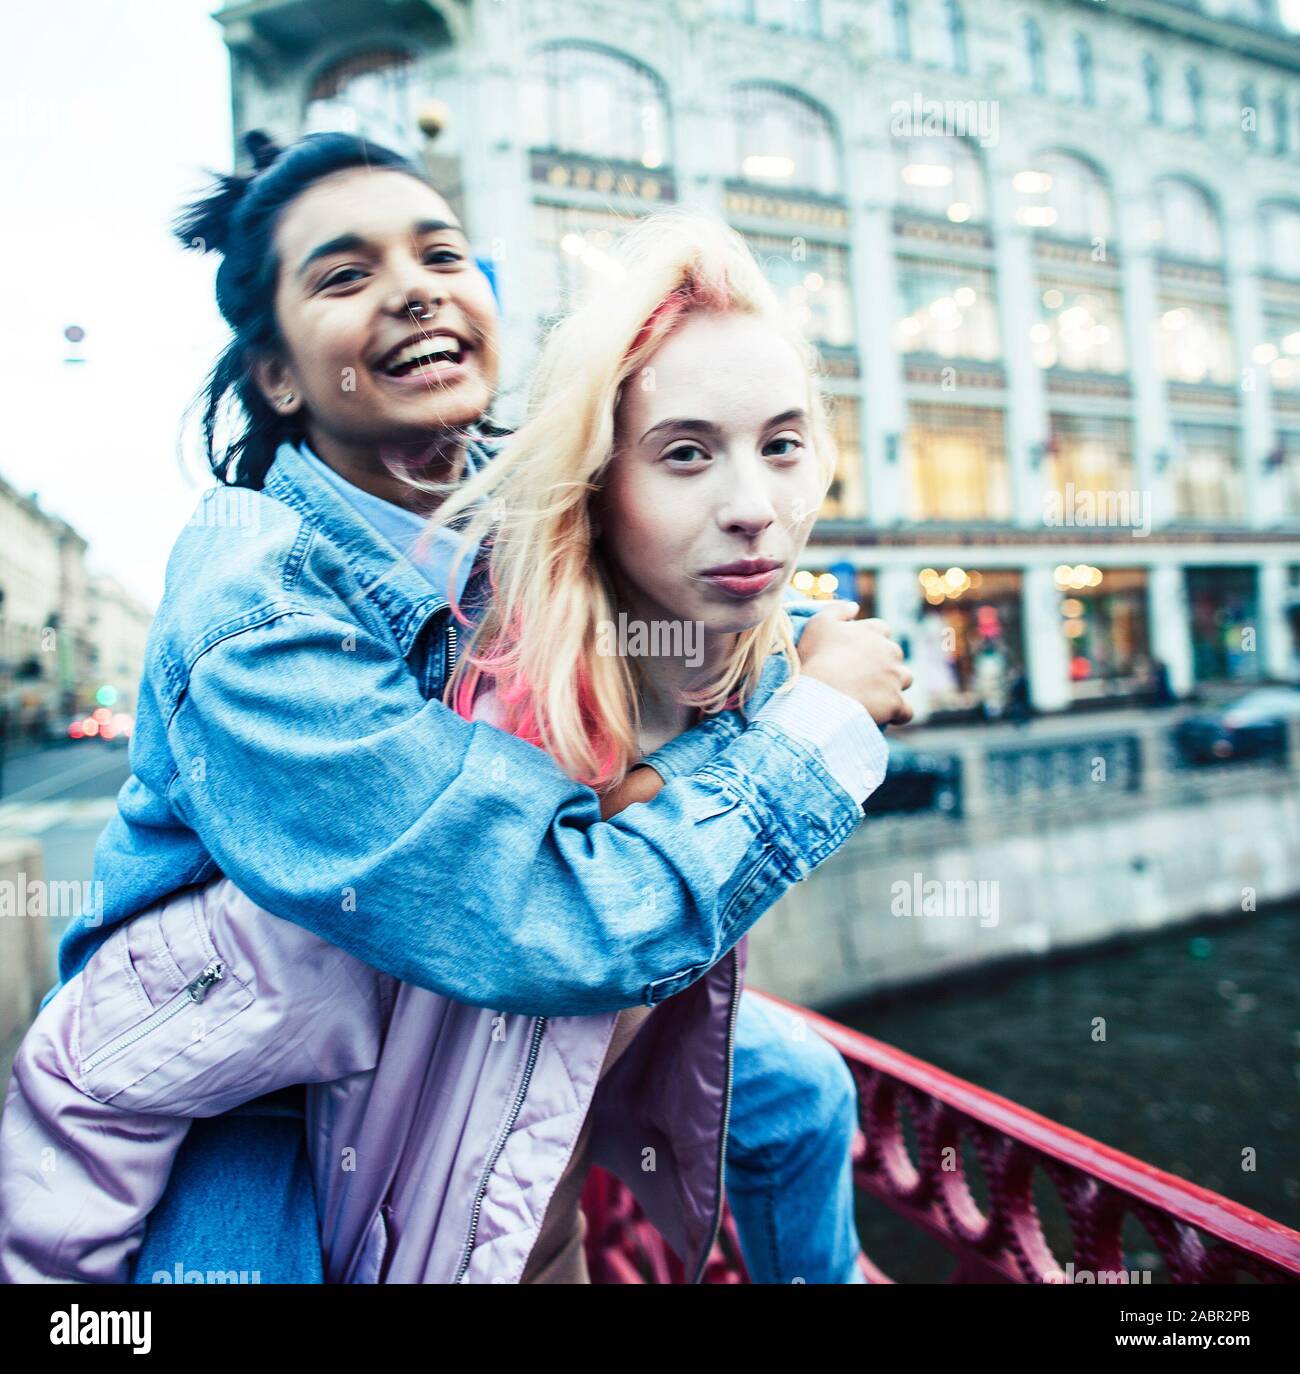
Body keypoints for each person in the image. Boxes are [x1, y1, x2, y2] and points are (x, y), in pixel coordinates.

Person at [1, 133, 910, 1284]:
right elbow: (542, 915)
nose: (414, 287)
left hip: (435, 1004)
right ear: (279, 376)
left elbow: (670, 590)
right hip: (247, 1076)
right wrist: (817, 729)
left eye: (441, 252)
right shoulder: (252, 608)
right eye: (344, 275)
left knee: (797, 1101)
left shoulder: (526, 503)